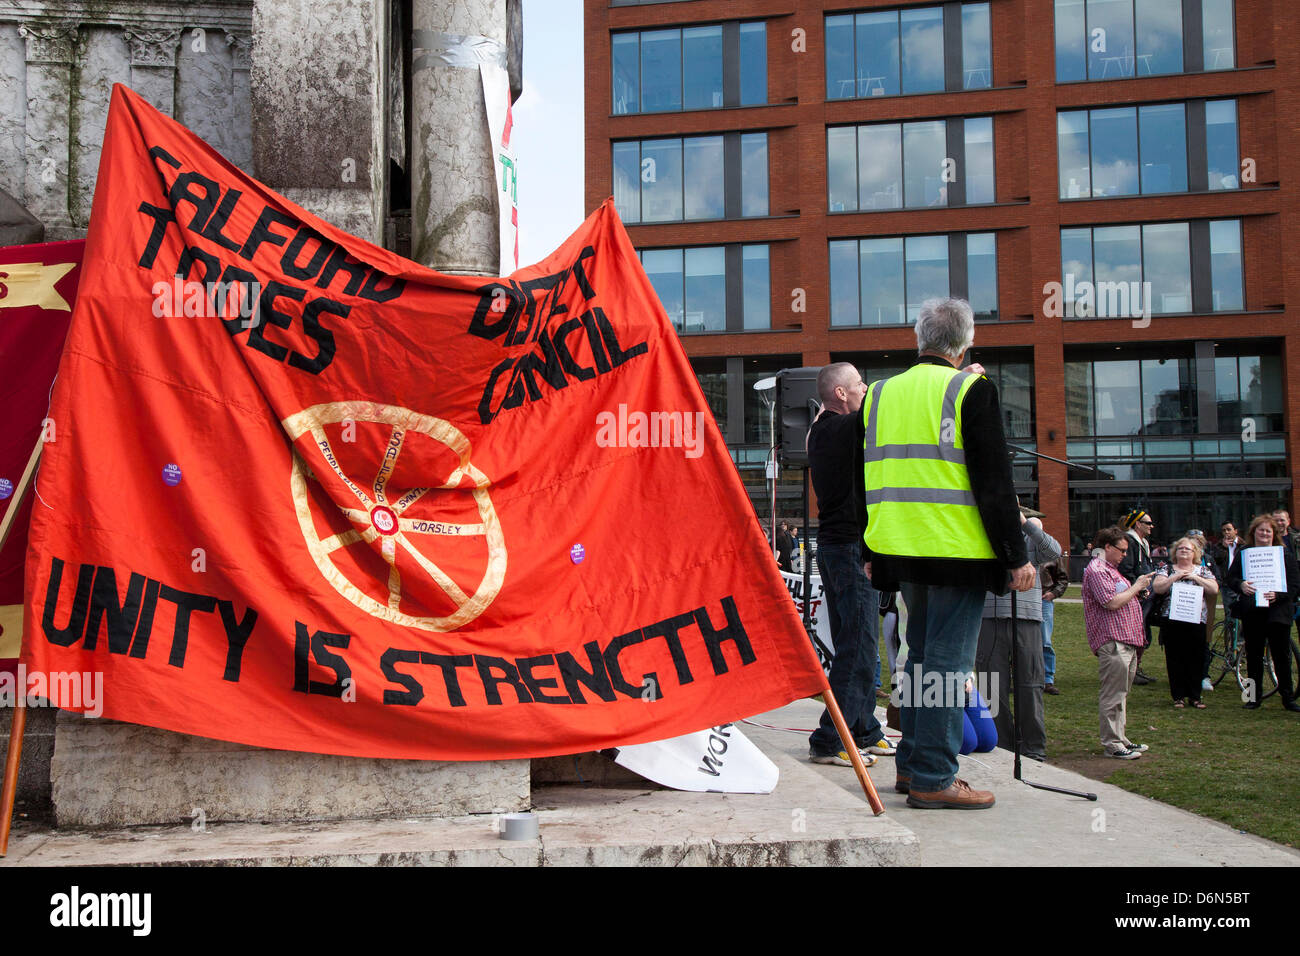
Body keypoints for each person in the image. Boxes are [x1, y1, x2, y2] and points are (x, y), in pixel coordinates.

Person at [861, 298, 1033, 810]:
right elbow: (994, 482)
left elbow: (860, 474)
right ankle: (934, 775)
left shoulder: (878, 393)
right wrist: (1014, 555)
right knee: (945, 666)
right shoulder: (969, 389)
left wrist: (869, 546)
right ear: (965, 344)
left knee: (916, 659)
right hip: (955, 551)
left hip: (900, 546)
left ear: (919, 338)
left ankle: (913, 765)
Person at [805, 363, 894, 767]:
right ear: (841, 393)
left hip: (845, 547)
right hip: (846, 550)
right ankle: (830, 739)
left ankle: (863, 728)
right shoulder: (831, 429)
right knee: (857, 648)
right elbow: (878, 411)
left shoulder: (833, 430)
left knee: (858, 645)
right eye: (860, 384)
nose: (865, 389)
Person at [975, 508, 1062, 761]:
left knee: (1030, 683)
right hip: (989, 618)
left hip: (1027, 619)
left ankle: (1033, 746)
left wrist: (1026, 524)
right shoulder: (984, 534)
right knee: (991, 685)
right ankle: (1000, 742)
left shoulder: (1029, 538)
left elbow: (1053, 552)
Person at [1083, 526, 1156, 758]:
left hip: (1126, 639)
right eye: (1122, 550)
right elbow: (1111, 602)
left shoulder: (1111, 569)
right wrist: (1137, 587)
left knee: (1121, 692)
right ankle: (1113, 743)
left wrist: (1136, 591)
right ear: (1107, 547)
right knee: (1113, 693)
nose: (1125, 555)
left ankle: (1121, 738)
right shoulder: (1097, 570)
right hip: (1113, 640)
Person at [1226, 514, 1300, 712]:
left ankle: (1288, 699)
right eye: (1261, 530)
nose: (1264, 534)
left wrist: (1279, 595)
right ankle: (1252, 698)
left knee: (1282, 657)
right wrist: (1241, 585)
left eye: (1268, 530)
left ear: (1274, 534)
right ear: (1254, 532)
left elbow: (1294, 584)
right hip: (1252, 612)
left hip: (1278, 612)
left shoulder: (1284, 555)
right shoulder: (1244, 553)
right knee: (1253, 656)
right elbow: (1230, 578)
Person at [1152, 537, 1219, 708]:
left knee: (1196, 657)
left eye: (1187, 549)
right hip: (1172, 620)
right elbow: (1158, 587)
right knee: (1175, 658)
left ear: (1194, 553)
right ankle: (1178, 696)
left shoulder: (1202, 570)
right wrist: (1174, 577)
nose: (1183, 551)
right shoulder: (1166, 568)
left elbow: (1214, 588)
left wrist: (1195, 578)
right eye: (1180, 548)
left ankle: (1195, 696)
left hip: (1196, 620)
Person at [1118, 508, 1158, 684]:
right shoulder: (1131, 542)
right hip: (1137, 596)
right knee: (1136, 632)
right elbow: (1126, 569)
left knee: (1143, 632)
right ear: (1137, 524)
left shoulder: (1143, 543)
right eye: (1148, 523)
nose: (1151, 526)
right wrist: (1139, 588)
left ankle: (1136, 667)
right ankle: (1131, 670)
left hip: (1146, 594)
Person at [1040, 556, 1069, 695]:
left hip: (1043, 600)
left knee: (1045, 641)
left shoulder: (1050, 551)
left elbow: (1062, 578)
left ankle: (1047, 680)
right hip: (1020, 599)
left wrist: (1054, 593)